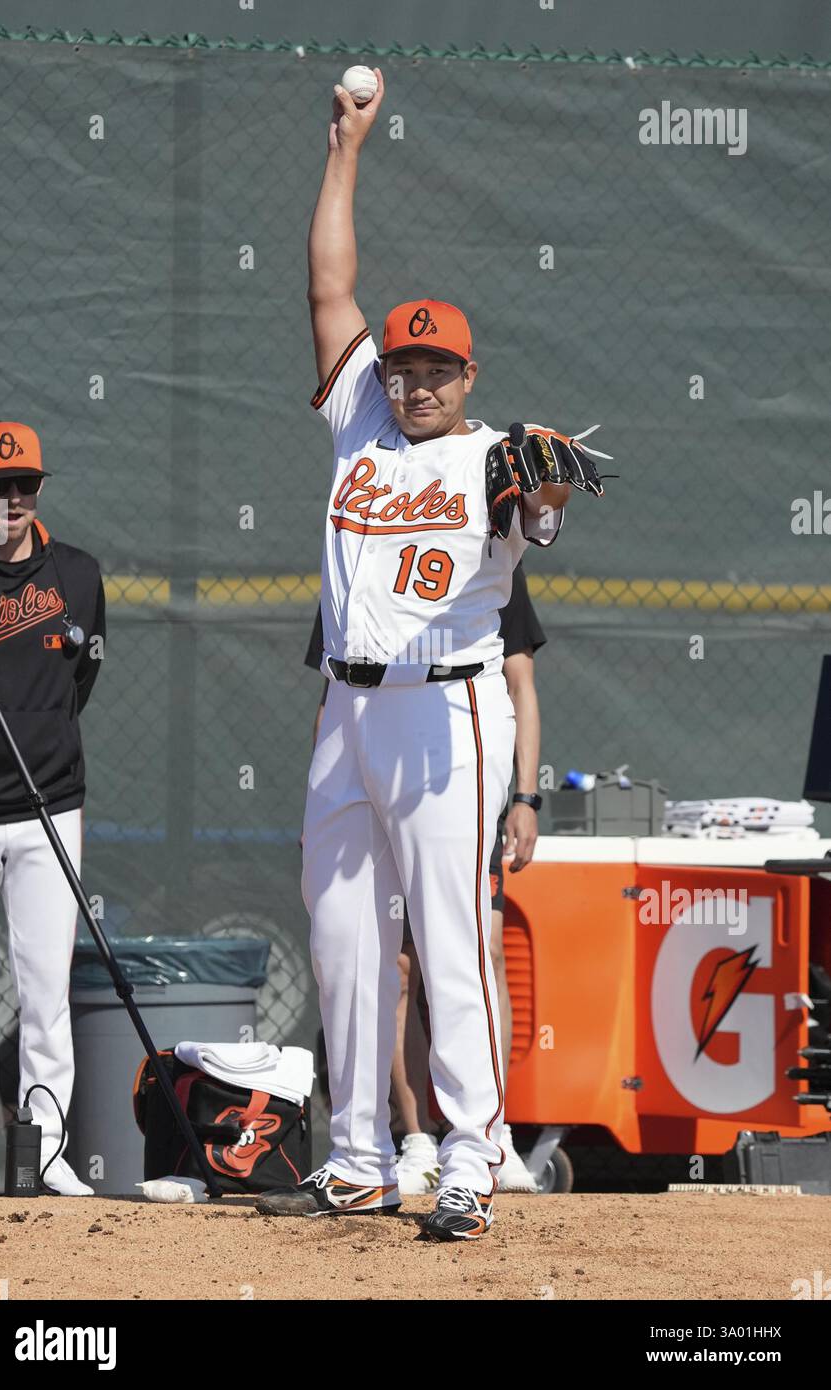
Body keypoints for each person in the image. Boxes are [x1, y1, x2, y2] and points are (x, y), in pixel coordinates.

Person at [257, 69, 595, 1243]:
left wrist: (548, 482)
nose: (411, 383)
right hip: (344, 711)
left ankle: (469, 1153)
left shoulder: (490, 456)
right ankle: (357, 1154)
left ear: (468, 377)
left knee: (448, 936)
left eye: (434, 369)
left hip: (447, 713)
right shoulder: (359, 418)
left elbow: (542, 506)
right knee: (344, 934)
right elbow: (328, 283)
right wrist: (344, 148)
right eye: (401, 367)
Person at [304, 563, 546, 1193]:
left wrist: (526, 796)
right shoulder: (358, 549)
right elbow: (332, 686)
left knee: (474, 947)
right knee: (390, 963)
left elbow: (519, 680)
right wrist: (321, 793)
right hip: (364, 754)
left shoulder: (481, 549)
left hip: (448, 760)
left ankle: (490, 1135)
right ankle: (411, 1139)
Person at [0, 421, 105, 1197]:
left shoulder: (77, 573)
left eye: (25, 484)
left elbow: (81, 679)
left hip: (49, 807)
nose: (13, 498)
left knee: (45, 990)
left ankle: (44, 1155)